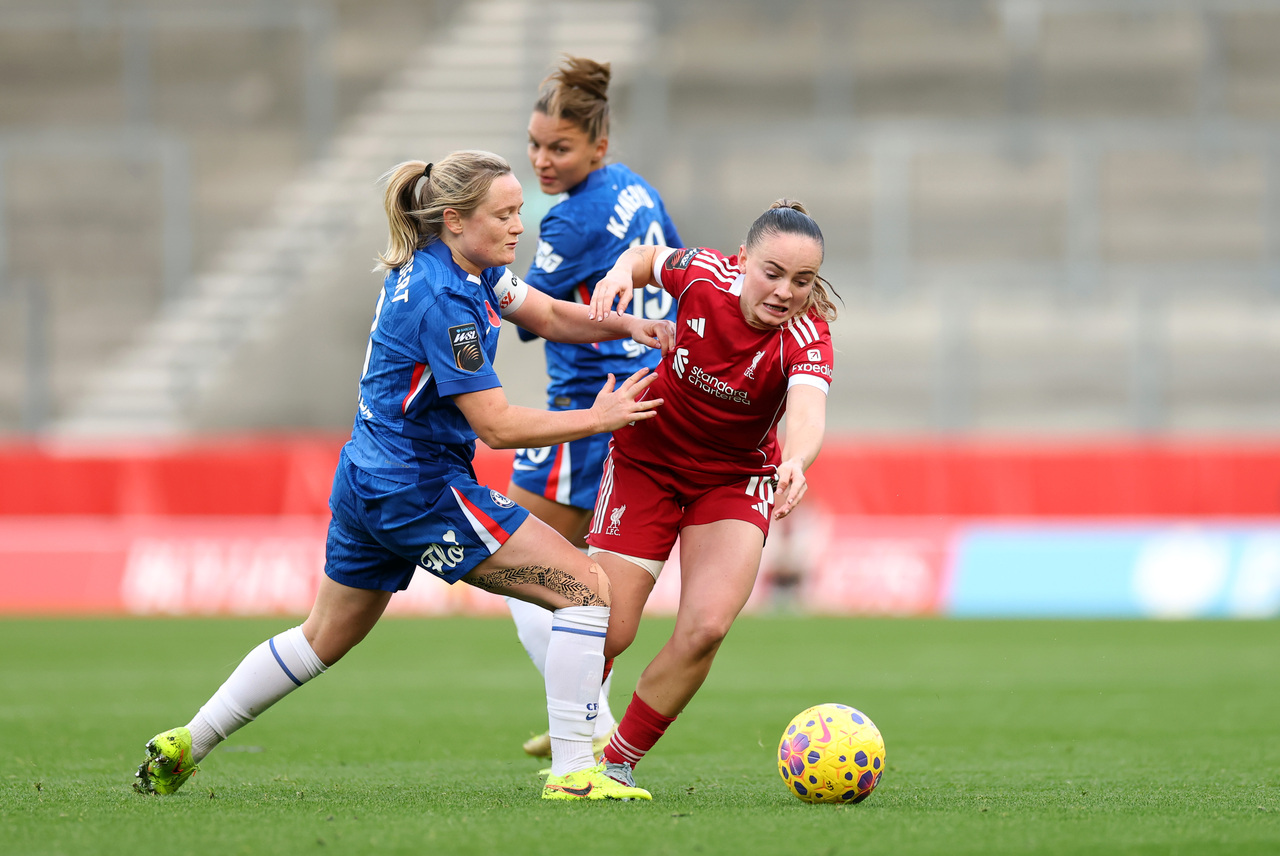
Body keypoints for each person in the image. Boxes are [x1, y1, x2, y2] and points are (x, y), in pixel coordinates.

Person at [132, 150, 676, 802]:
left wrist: (633, 324)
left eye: (517, 211)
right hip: (418, 490)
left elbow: (551, 315)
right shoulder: (446, 301)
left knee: (322, 637)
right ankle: (574, 775)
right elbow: (497, 425)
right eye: (503, 215)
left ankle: (189, 741)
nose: (517, 226)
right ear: (453, 219)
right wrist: (599, 417)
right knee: (588, 590)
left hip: (367, 477)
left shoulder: (460, 269)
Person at [583, 200, 839, 793]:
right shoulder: (703, 274)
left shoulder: (806, 334)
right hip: (647, 460)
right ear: (743, 260)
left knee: (706, 628)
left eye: (802, 281)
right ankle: (573, 747)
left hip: (734, 477)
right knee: (607, 627)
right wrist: (623, 271)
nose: (785, 292)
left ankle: (615, 763)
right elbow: (648, 258)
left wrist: (797, 460)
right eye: (772, 273)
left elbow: (807, 408)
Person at [502, 55, 682, 762]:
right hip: (645, 396)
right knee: (571, 572)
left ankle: (584, 712)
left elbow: (534, 318)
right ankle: (581, 709)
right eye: (536, 144)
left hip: (587, 412)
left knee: (511, 556)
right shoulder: (637, 190)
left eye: (561, 148)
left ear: (596, 146)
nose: (543, 160)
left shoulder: (570, 221)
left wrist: (486, 275)